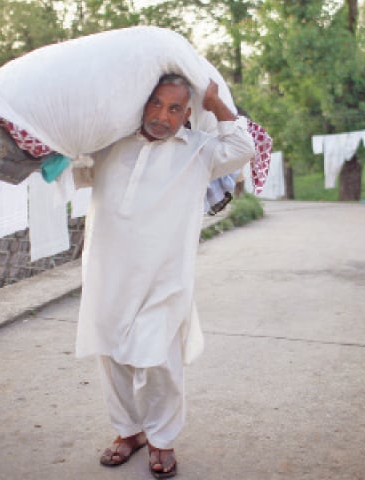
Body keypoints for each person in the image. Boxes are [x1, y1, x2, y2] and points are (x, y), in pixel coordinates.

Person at [72, 73, 255, 478]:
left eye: (174, 108)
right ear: (142, 104)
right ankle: (128, 432)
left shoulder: (199, 152)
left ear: (187, 114)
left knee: (161, 361)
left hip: (164, 278)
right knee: (112, 355)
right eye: (155, 104)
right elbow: (70, 158)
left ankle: (162, 440)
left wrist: (218, 104)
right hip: (108, 273)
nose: (162, 115)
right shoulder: (111, 145)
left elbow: (243, 147)